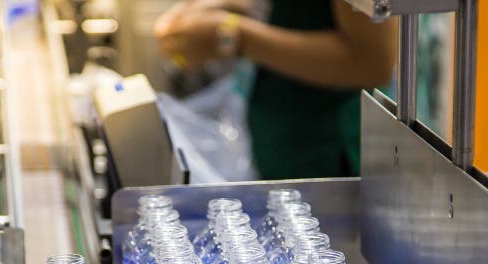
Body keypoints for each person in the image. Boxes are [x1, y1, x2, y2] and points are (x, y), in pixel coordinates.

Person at [154, 1, 397, 180]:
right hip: (279, 145)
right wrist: (224, 8)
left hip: (329, 157)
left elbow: (372, 63)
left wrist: (235, 36)